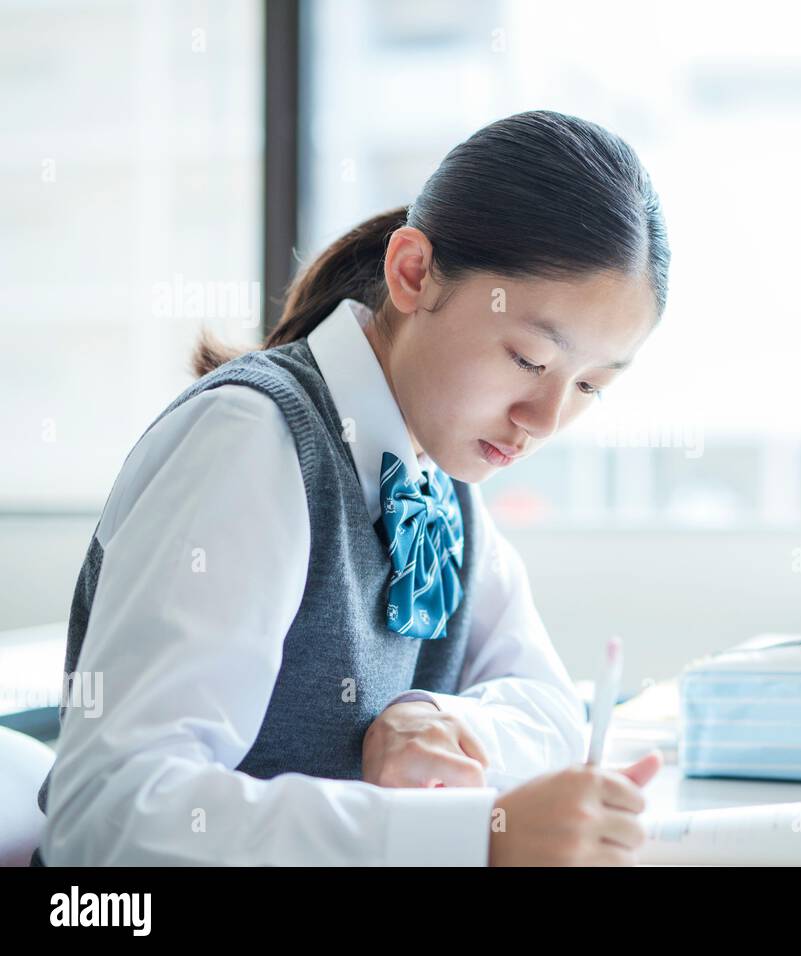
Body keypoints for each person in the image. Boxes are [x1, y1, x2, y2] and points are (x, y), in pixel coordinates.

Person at [33, 109, 670, 866]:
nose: (545, 418)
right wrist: (468, 838)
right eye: (529, 359)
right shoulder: (251, 442)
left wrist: (432, 716)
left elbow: (551, 710)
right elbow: (110, 815)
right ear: (410, 273)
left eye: (591, 385)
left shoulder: (439, 465)